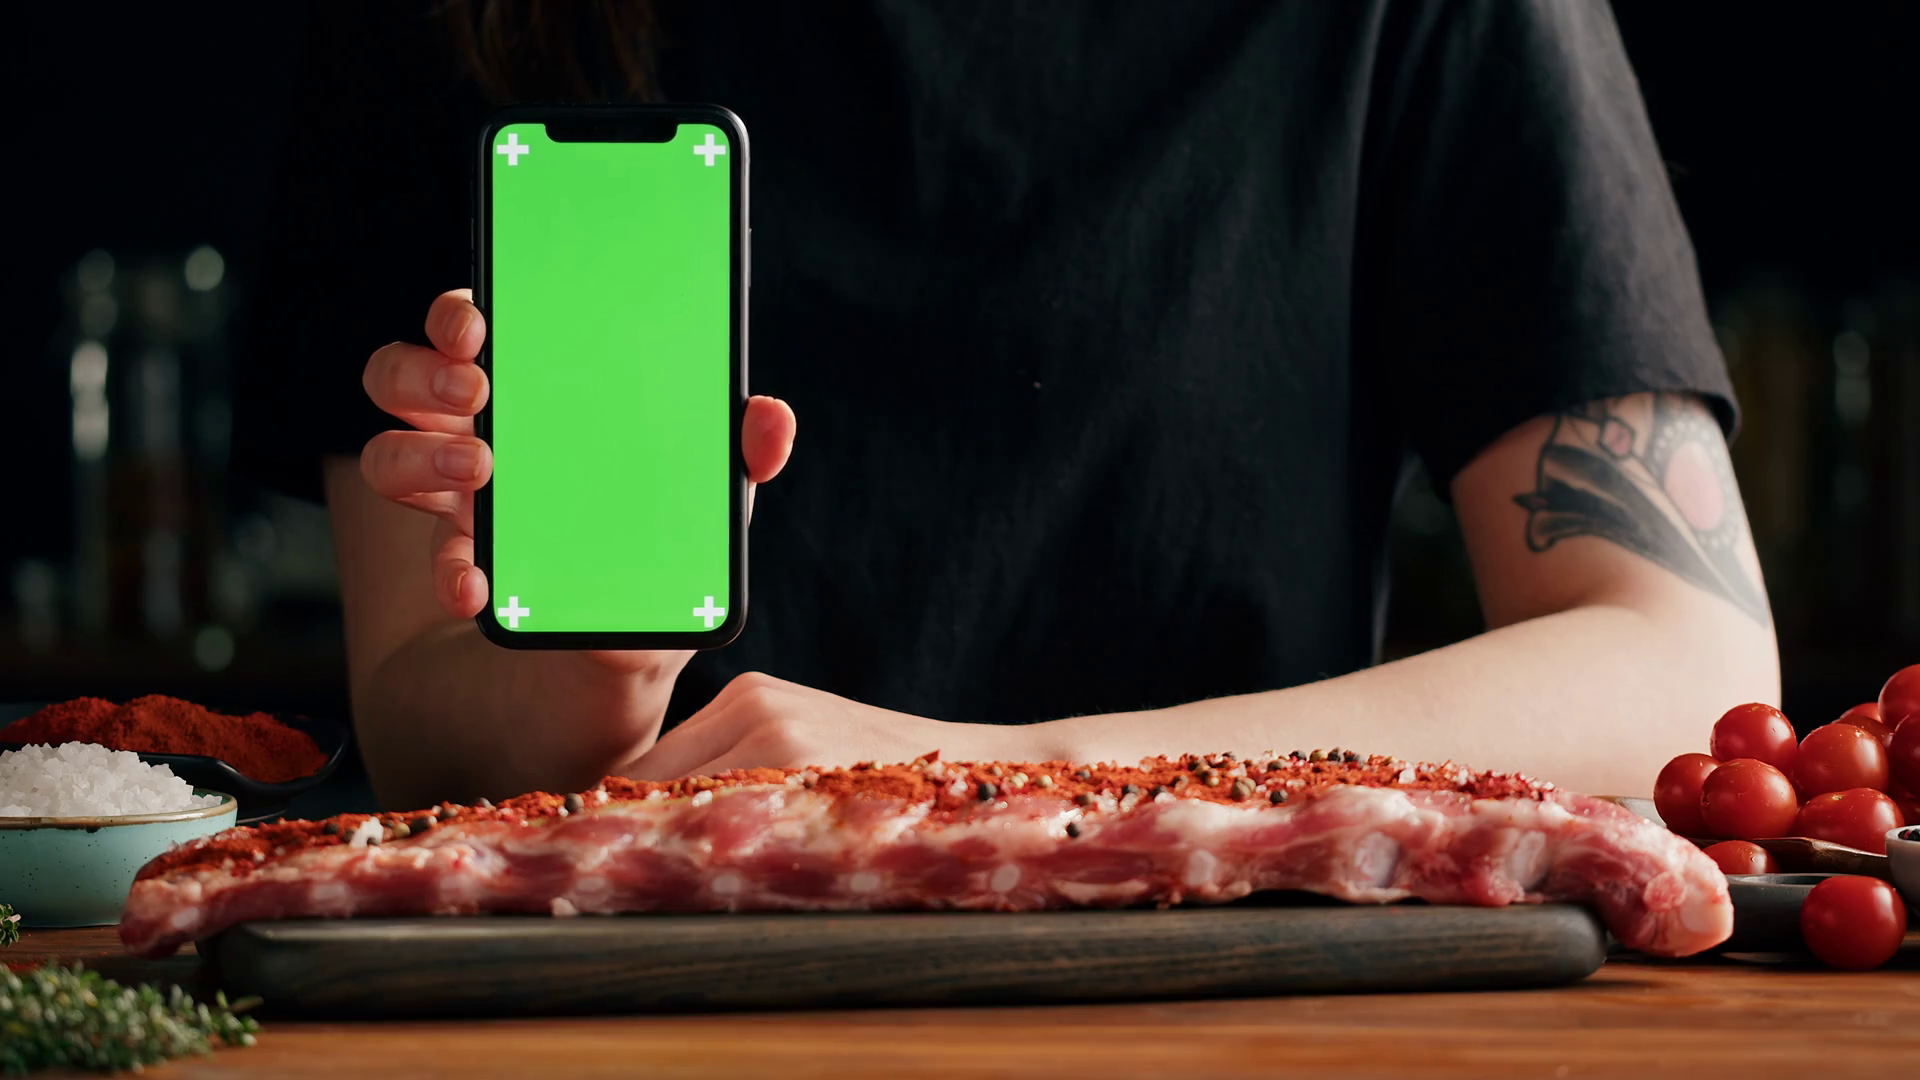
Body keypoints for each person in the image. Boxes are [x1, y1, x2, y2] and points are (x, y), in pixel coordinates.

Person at [239, 0, 1778, 809]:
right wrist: (588, 681)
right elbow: (423, 721)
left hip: (1234, 1013)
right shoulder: (460, 15)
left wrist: (975, 781)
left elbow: (1680, 663)